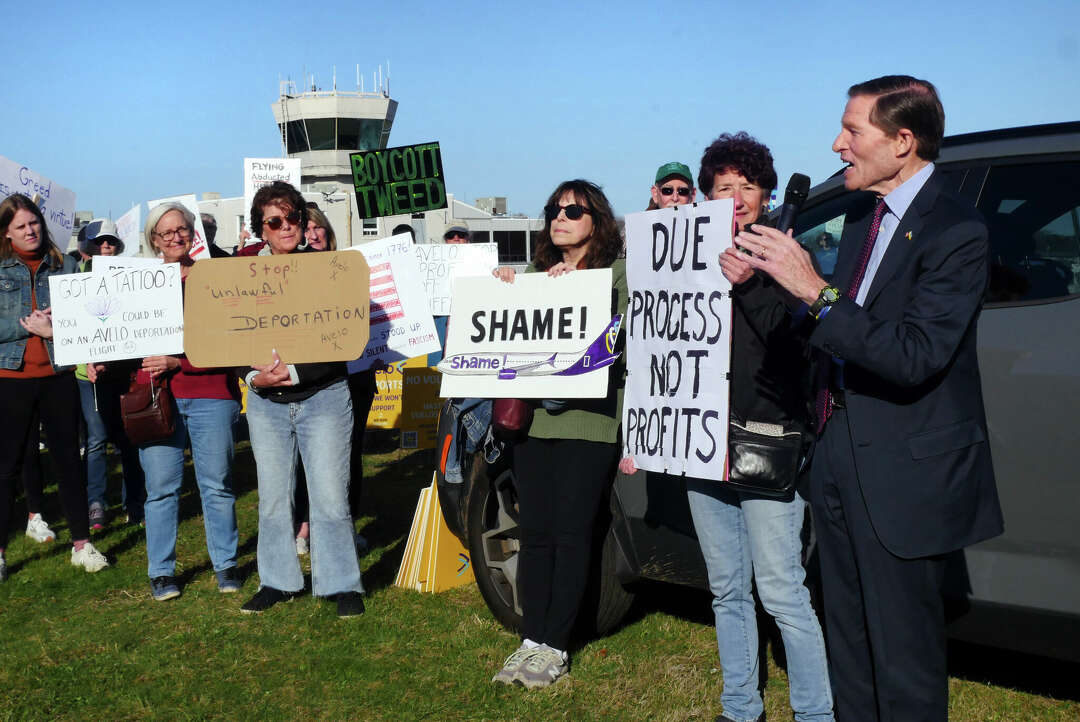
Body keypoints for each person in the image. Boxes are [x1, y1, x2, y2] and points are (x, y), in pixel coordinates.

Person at [733, 75, 1004, 720]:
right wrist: (760, 281)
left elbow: (913, 354)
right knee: (848, 647)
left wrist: (814, 291)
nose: (837, 144)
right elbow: (827, 332)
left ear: (903, 141)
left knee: (903, 661)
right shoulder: (860, 217)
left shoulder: (956, 230)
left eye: (853, 131)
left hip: (903, 472)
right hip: (837, 459)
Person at [685, 133, 833, 722]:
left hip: (767, 441)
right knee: (727, 591)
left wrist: (749, 284)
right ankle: (740, 706)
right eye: (725, 186)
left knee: (781, 591)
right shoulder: (684, 257)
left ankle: (815, 712)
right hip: (700, 446)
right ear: (708, 196)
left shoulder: (789, 254)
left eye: (749, 185)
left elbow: (798, 345)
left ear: (768, 193)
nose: (738, 196)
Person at [489, 179, 626, 688]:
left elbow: (626, 343)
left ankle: (556, 645)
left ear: (598, 222)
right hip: (534, 424)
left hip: (589, 424)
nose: (561, 216)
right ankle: (531, 637)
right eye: (554, 209)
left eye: (574, 210)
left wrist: (580, 295)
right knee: (537, 532)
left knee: (572, 534)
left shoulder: (616, 275)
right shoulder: (531, 274)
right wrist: (507, 291)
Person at [239, 181, 365, 619]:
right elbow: (226, 335)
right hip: (265, 402)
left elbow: (343, 338)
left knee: (330, 497)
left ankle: (341, 584)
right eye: (275, 221)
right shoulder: (241, 274)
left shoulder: (329, 268)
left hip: (323, 397)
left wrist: (293, 372)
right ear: (261, 229)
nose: (287, 227)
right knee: (273, 498)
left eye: (293, 217)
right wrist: (254, 375)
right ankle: (276, 580)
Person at [118, 202, 241, 601]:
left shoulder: (216, 278)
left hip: (211, 395)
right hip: (156, 398)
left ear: (193, 233)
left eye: (181, 229)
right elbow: (115, 334)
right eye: (165, 232)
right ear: (153, 239)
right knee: (161, 489)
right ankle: (162, 573)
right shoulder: (135, 283)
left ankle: (226, 565)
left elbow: (228, 340)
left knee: (217, 485)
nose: (174, 237)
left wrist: (178, 360)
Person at [0, 194, 109, 580]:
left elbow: (89, 321)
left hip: (58, 378)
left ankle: (82, 544)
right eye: (20, 226)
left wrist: (56, 329)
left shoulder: (65, 268)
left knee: (68, 459)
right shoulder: (0, 270)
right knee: (8, 466)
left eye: (34, 223)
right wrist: (30, 324)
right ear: (7, 233)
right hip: (10, 381)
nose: (30, 231)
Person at [75, 219, 145, 530]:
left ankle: (134, 502)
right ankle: (96, 503)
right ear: (88, 246)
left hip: (123, 371)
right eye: (100, 241)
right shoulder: (73, 279)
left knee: (129, 438)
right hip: (86, 375)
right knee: (97, 438)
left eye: (112, 242)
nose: (107, 246)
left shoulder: (129, 277)